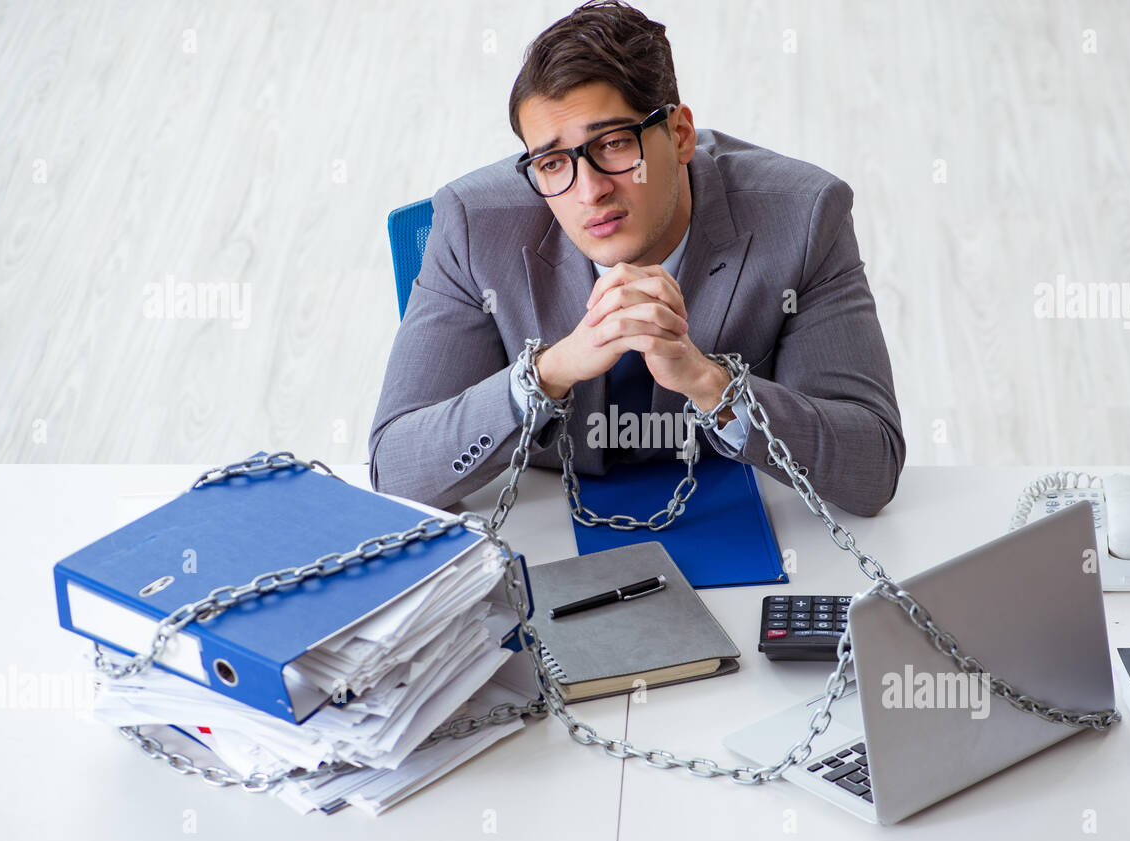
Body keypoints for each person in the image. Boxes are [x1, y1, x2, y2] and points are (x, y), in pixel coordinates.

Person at [369, 0, 904, 517]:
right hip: (543, 528)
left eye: (614, 144)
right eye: (553, 162)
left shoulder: (804, 216)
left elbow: (873, 466)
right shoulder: (470, 225)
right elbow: (394, 468)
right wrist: (551, 370)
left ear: (680, 134)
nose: (590, 191)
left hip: (738, 520)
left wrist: (709, 382)